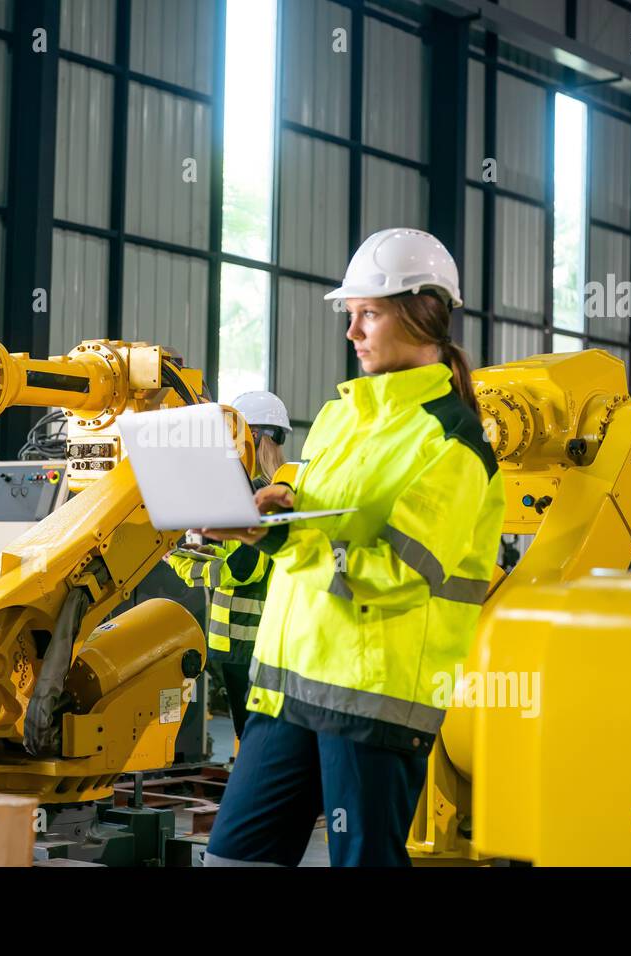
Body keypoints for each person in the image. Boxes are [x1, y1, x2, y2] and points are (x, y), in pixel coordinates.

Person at [199, 228, 506, 866]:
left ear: (422, 315)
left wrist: (282, 542)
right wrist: (274, 508)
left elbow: (395, 570)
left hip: (371, 702)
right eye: (351, 314)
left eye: (368, 313)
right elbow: (321, 516)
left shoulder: (453, 443)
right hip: (289, 686)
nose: (353, 331)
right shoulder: (343, 415)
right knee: (233, 859)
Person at [164, 391, 291, 744]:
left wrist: (180, 563)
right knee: (254, 734)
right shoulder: (277, 488)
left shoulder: (257, 492)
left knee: (253, 735)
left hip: (246, 641)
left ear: (251, 436)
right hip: (249, 642)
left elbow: (242, 567)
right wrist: (202, 550)